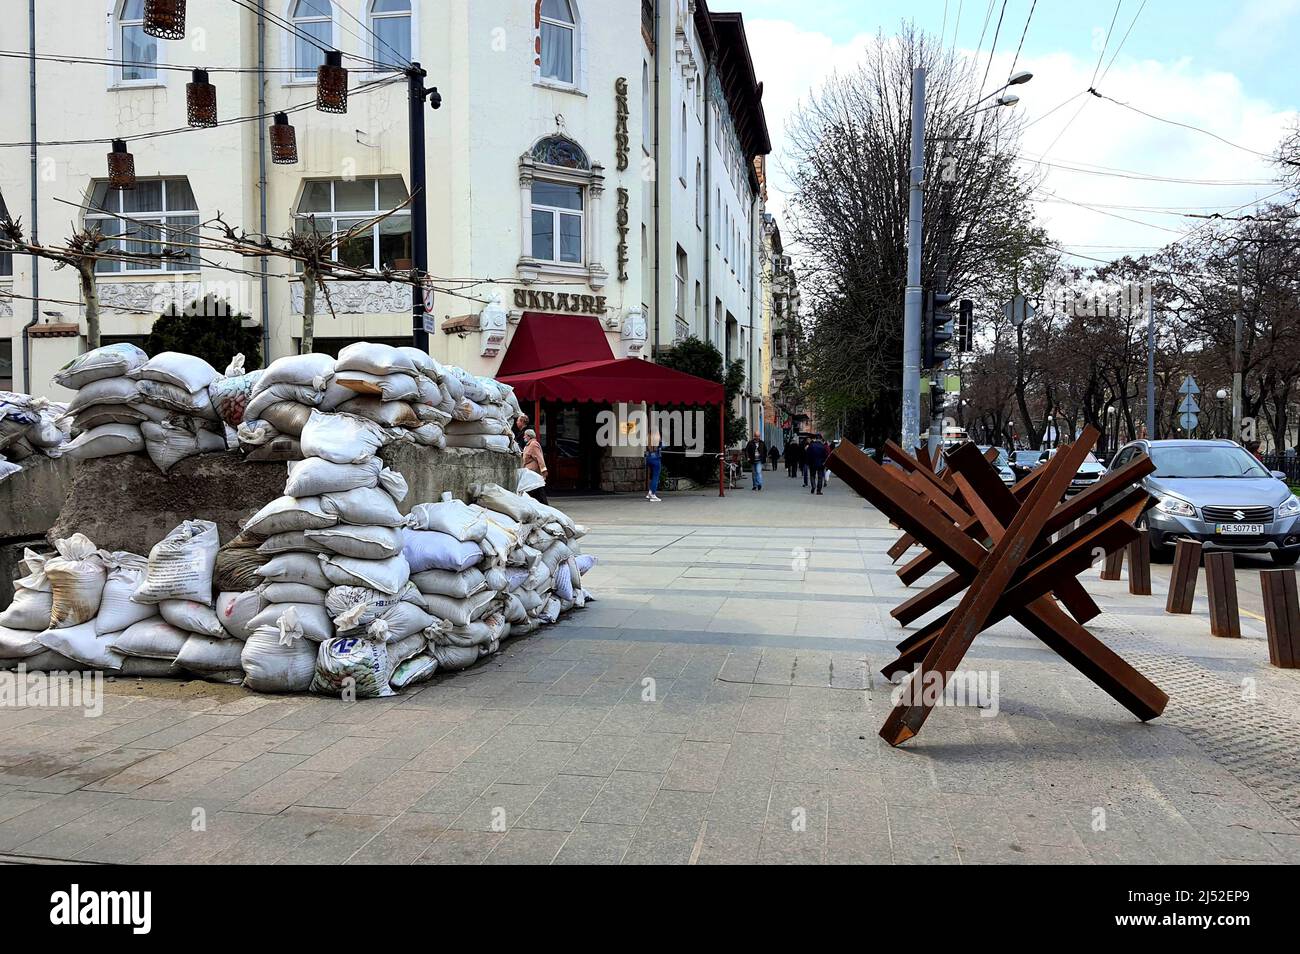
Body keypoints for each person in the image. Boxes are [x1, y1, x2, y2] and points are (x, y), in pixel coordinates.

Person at [521, 428, 549, 505]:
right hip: (529, 473)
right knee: (535, 491)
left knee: (535, 490)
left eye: (525, 436)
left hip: (533, 473)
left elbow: (539, 458)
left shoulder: (534, 444)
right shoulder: (528, 445)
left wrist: (543, 470)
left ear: (529, 436)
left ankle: (544, 506)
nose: (524, 437)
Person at [644, 433, 663, 503]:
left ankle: (650, 492)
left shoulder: (648, 437)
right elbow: (661, 447)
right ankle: (653, 495)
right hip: (655, 458)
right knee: (656, 477)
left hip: (648, 458)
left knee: (652, 476)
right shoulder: (657, 437)